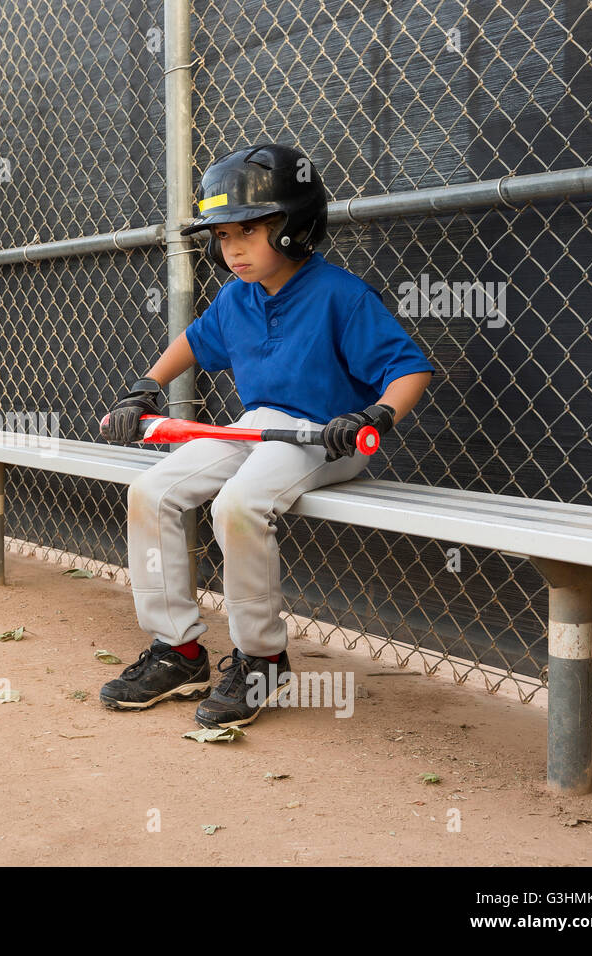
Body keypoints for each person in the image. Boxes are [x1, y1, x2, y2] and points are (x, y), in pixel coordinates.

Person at [98, 143, 434, 729]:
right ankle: (178, 650)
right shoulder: (237, 297)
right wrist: (145, 386)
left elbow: (409, 368)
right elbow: (195, 343)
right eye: (223, 236)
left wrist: (375, 416)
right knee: (151, 492)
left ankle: (262, 657)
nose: (232, 249)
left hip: (326, 437)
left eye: (249, 230)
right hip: (255, 428)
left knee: (239, 504)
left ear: (296, 227)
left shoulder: (340, 294)